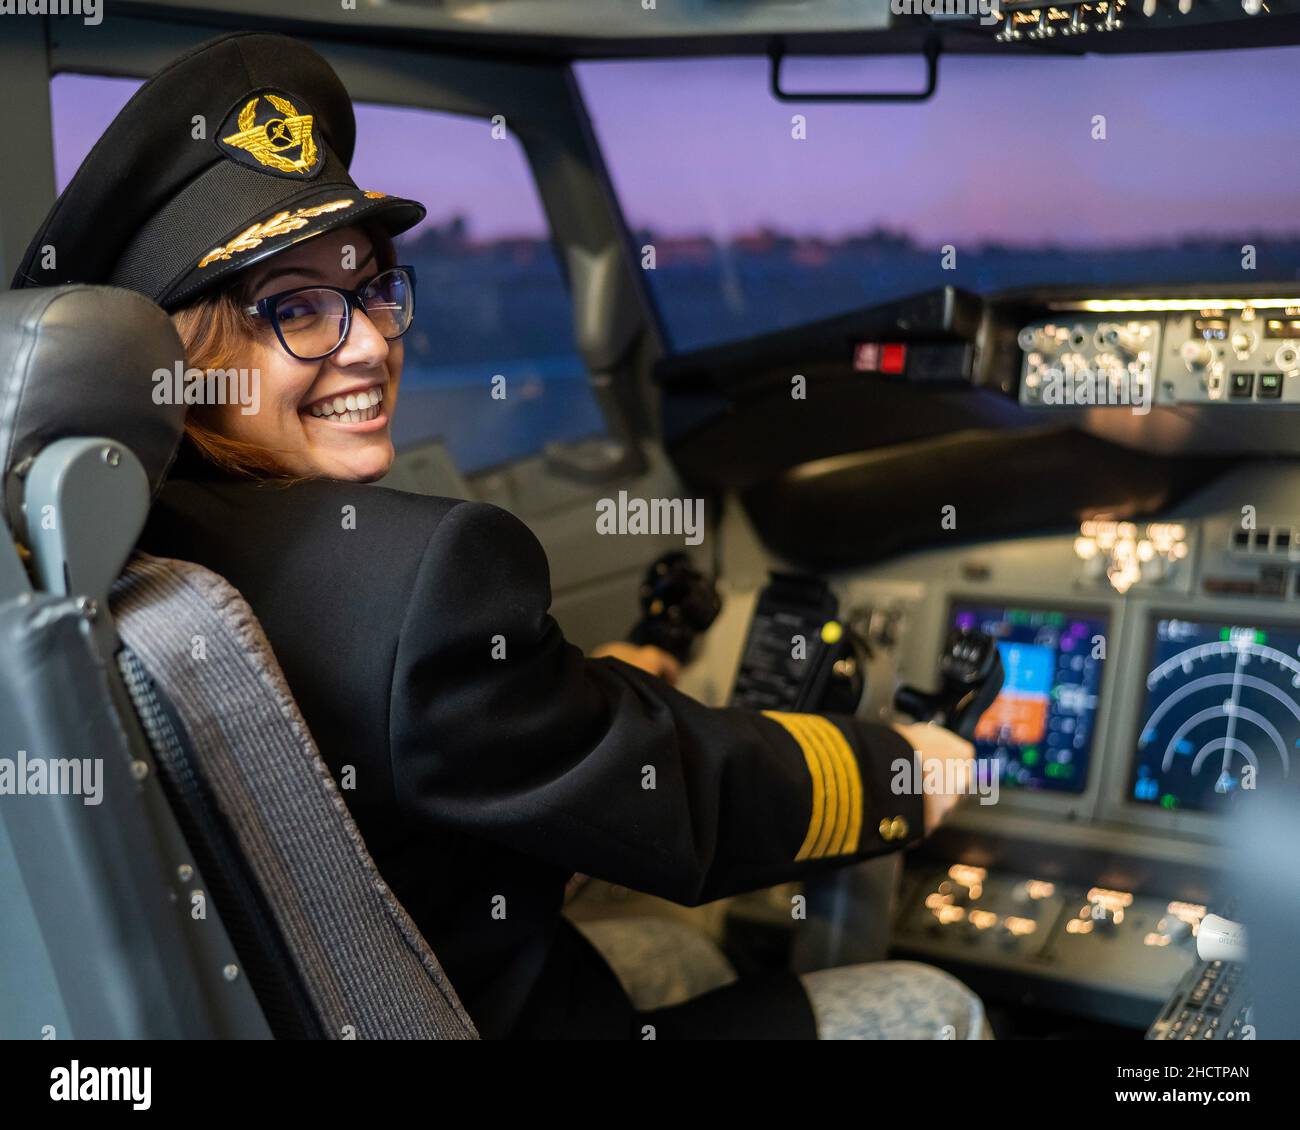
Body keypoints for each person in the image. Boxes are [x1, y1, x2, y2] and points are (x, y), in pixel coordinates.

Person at [13, 31, 987, 1040]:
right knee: (932, 1004)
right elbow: (688, 798)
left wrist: (583, 688)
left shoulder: (109, 551)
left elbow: (446, 751)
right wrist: (898, 767)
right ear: (187, 355)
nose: (370, 343)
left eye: (372, 289)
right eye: (295, 309)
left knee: (678, 954)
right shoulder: (416, 575)